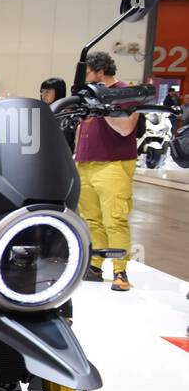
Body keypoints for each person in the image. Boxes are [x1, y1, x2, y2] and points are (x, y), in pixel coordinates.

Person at [75, 51, 138, 292]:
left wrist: (104, 106)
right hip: (86, 163)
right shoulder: (89, 94)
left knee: (115, 219)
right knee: (92, 219)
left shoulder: (126, 92)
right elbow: (84, 127)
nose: (86, 77)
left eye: (88, 72)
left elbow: (126, 128)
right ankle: (96, 265)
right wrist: (76, 153)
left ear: (100, 71)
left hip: (114, 163)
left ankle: (120, 271)